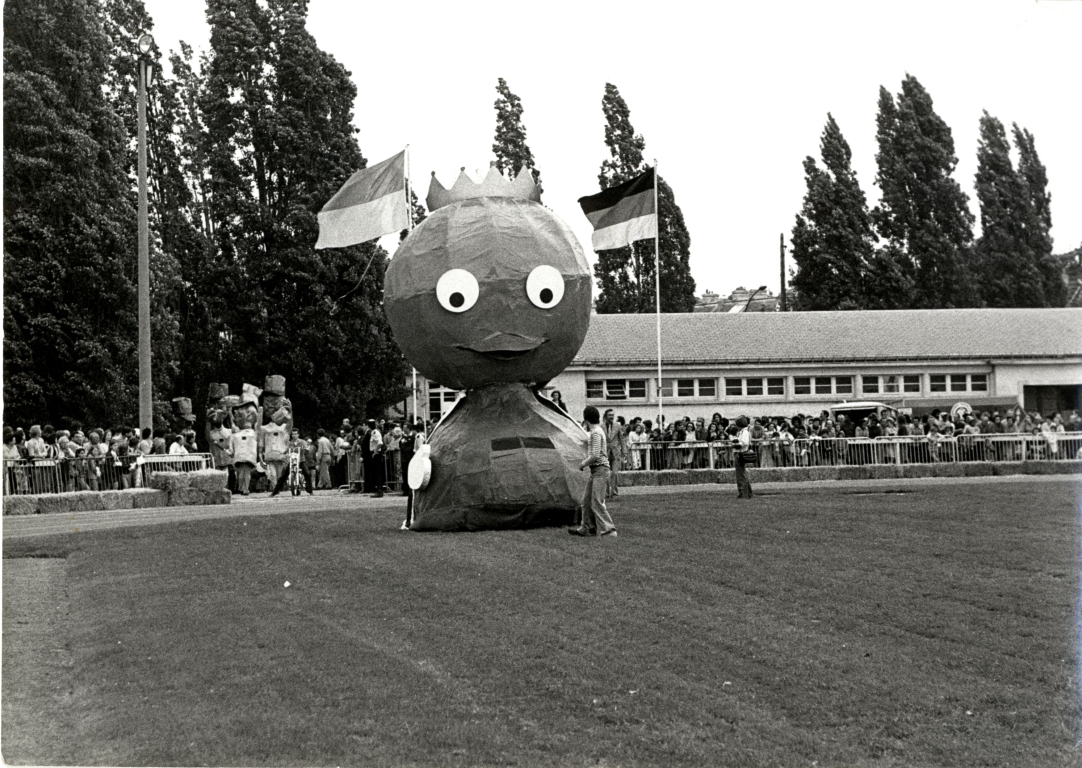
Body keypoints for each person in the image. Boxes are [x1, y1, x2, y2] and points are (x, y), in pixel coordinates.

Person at [569, 406, 617, 538]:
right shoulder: (597, 430)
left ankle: (609, 530)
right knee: (586, 501)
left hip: (600, 470)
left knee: (596, 502)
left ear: (586, 418)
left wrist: (583, 464)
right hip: (597, 471)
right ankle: (587, 528)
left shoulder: (595, 433)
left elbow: (595, 455)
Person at [271, 429, 314, 496]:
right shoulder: (289, 443)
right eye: (293, 434)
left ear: (298, 435)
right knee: (283, 476)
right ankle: (274, 492)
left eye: (295, 434)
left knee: (307, 473)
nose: (294, 435)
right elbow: (285, 450)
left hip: (301, 461)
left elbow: (306, 449)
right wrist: (282, 453)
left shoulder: (302, 442)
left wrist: (305, 450)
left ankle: (310, 491)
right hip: (292, 462)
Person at [733, 416, 754, 499]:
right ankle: (747, 492)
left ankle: (743, 492)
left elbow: (744, 443)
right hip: (741, 452)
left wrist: (735, 445)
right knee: (742, 473)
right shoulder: (744, 432)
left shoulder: (744, 432)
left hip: (740, 452)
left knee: (740, 474)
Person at [603, 408, 621, 498]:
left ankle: (614, 492)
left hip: (615, 452)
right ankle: (605, 493)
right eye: (610, 415)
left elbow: (622, 439)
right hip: (605, 452)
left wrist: (624, 452)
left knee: (614, 473)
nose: (611, 417)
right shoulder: (601, 426)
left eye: (612, 415)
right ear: (606, 416)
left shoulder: (617, 426)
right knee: (605, 473)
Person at [367, 419, 385, 498]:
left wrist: (375, 452)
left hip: (376, 454)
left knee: (377, 473)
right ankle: (378, 490)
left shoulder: (375, 432)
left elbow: (380, 443)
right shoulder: (374, 432)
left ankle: (379, 491)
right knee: (376, 473)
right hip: (376, 454)